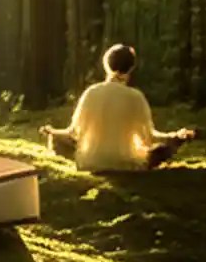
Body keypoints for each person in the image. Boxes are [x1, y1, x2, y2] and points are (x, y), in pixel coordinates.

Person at [40, 44, 196, 172]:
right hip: (128, 165)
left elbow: (73, 132)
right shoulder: (136, 96)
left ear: (106, 65)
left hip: (90, 162)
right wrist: (177, 137)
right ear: (131, 68)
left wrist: (52, 132)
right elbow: (150, 137)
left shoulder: (91, 92)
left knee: (58, 142)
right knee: (164, 150)